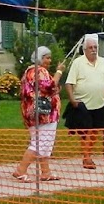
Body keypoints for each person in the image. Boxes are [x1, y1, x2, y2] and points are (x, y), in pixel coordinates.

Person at [12, 47, 65, 183]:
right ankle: (21, 170)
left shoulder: (30, 71)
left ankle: (45, 172)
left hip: (36, 114)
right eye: (47, 58)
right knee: (40, 144)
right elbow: (49, 86)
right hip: (44, 115)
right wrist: (59, 72)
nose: (49, 61)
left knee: (44, 144)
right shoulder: (39, 71)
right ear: (40, 58)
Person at [65, 34, 104, 169]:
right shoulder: (78, 63)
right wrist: (72, 100)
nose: (93, 50)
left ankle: (88, 154)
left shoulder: (103, 62)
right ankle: (87, 157)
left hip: (100, 103)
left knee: (95, 131)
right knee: (86, 132)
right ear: (85, 50)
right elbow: (69, 83)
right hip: (83, 104)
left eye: (95, 47)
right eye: (90, 47)